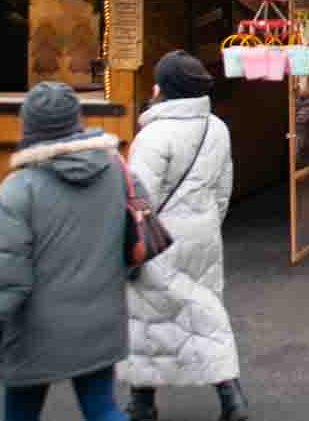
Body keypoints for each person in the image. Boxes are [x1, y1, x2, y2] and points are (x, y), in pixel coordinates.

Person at [0, 82, 132, 421]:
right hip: (101, 320)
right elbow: (131, 240)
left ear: (27, 125)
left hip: (32, 334)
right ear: (76, 119)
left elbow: (3, 283)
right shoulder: (117, 170)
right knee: (103, 409)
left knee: (21, 414)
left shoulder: (16, 192)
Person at [121, 50, 247, 421]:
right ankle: (231, 397)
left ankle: (142, 403)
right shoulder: (216, 128)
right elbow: (223, 188)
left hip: (161, 239)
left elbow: (139, 199)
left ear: (163, 88)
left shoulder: (153, 135)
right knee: (204, 314)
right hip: (204, 234)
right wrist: (208, 222)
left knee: (147, 318)